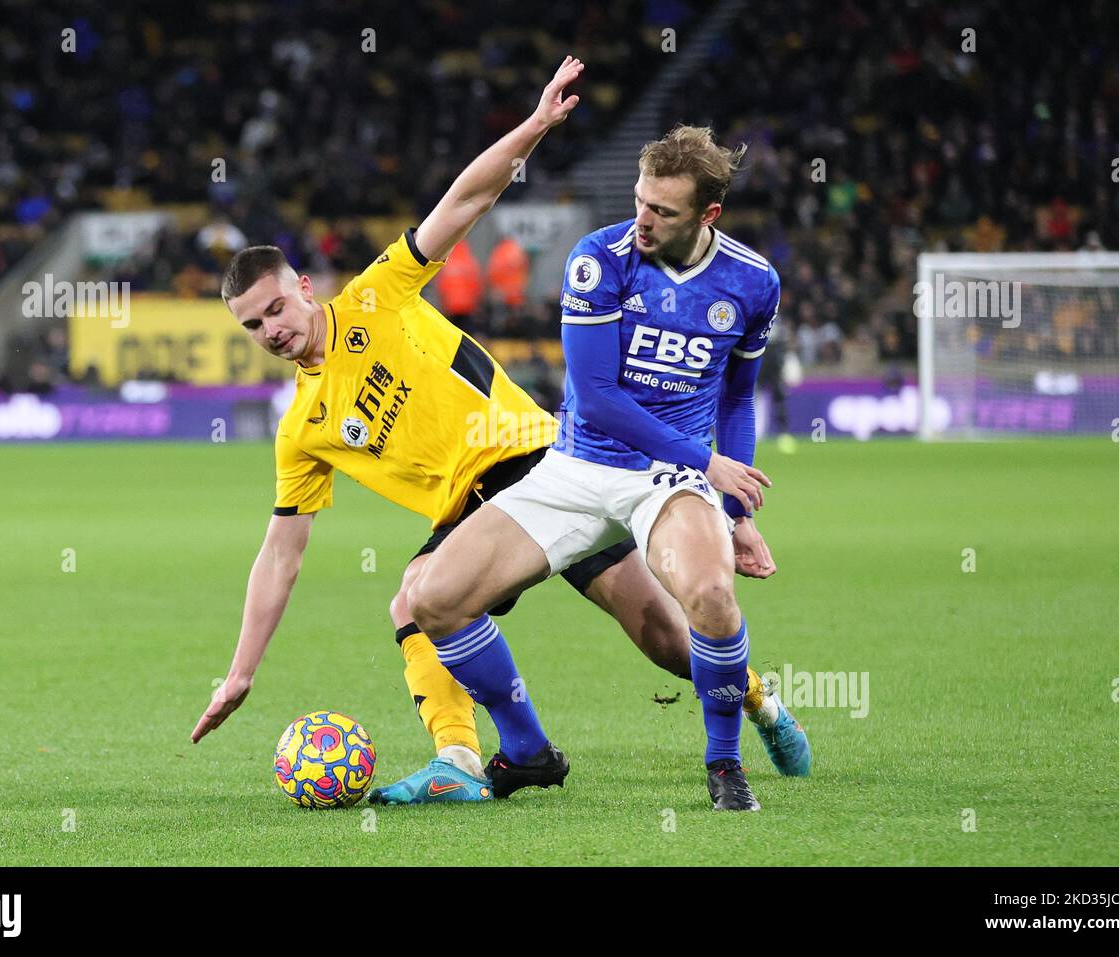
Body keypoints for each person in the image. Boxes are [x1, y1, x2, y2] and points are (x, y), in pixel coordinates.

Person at [190, 64, 809, 804]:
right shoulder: (302, 429)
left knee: (661, 632)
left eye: (273, 309)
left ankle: (759, 700)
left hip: (538, 455)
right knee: (416, 599)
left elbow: (466, 198)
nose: (271, 331)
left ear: (303, 287)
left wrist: (537, 124)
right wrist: (241, 670)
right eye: (252, 325)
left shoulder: (375, 295)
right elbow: (280, 553)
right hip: (471, 508)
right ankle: (477, 754)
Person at [407, 125, 801, 811]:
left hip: (668, 481)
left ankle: (725, 761)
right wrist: (707, 460)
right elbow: (597, 398)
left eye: (663, 211)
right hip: (578, 466)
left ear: (708, 215)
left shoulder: (753, 281)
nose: (643, 220)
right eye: (640, 200)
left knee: (706, 595)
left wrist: (734, 512)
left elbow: (738, 396)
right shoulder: (598, 260)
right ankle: (528, 749)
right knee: (433, 597)